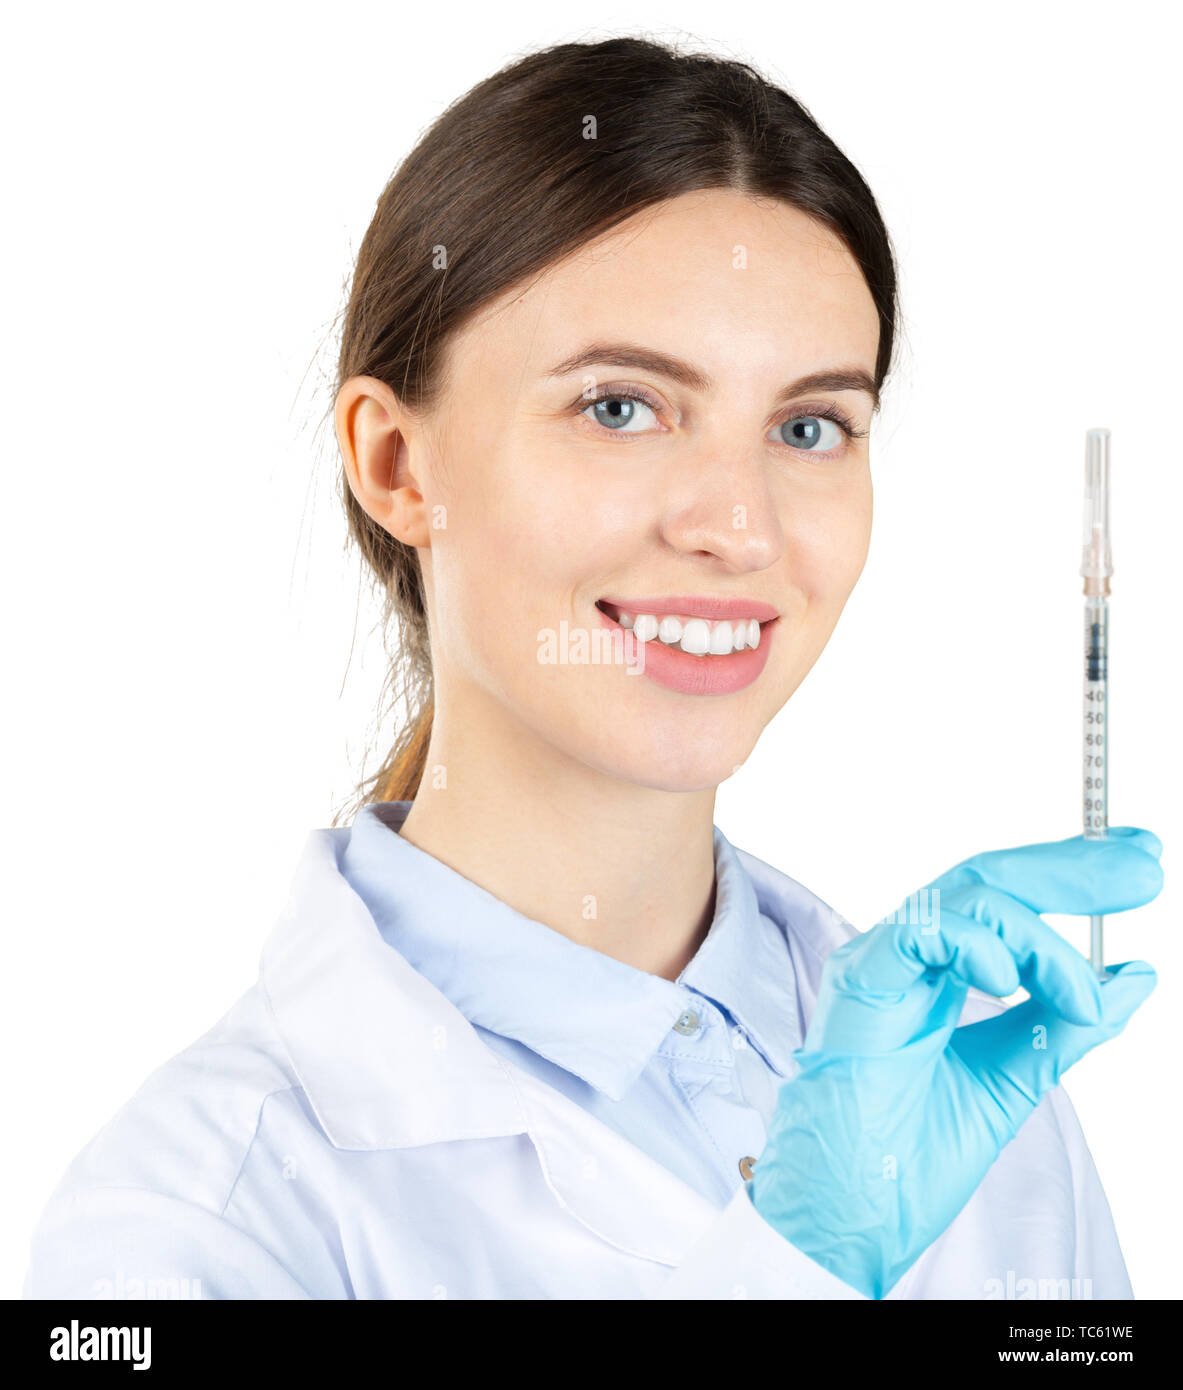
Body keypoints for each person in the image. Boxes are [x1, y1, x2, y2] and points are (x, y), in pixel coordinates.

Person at [24, 35, 1162, 1301]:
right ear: (398, 464)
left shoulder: (955, 1095)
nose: (740, 524)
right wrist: (797, 1259)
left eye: (808, 426)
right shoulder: (190, 1226)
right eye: (621, 405)